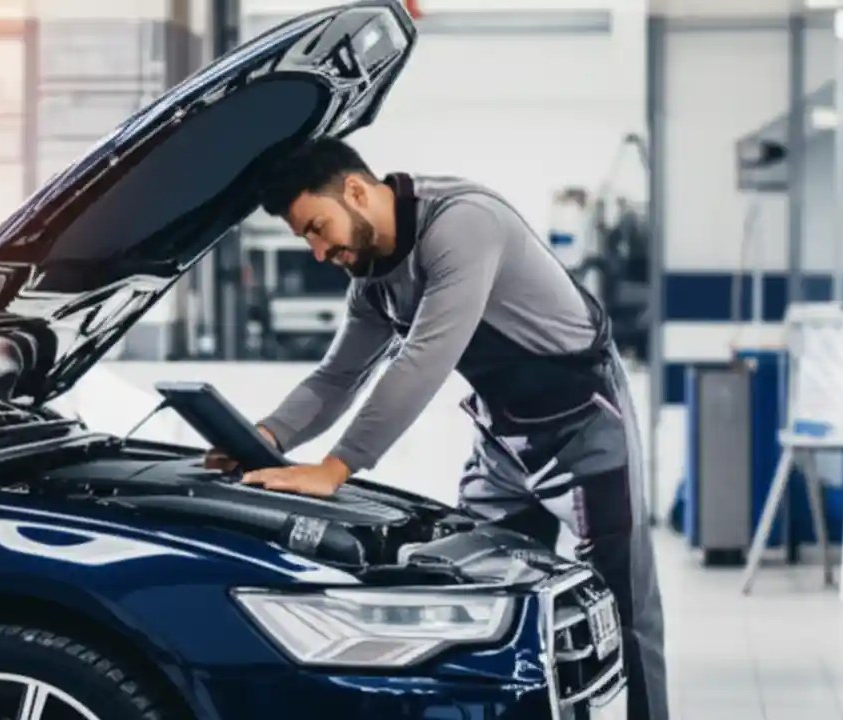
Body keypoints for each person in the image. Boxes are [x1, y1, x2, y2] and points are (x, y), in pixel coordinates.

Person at [210, 137, 669, 719]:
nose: (319, 251)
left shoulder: (463, 223)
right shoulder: (373, 281)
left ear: (355, 191)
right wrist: (265, 437)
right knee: (486, 608)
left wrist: (337, 467)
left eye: (317, 228)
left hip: (584, 427)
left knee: (628, 609)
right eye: (307, 237)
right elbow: (338, 377)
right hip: (504, 441)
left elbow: (424, 357)